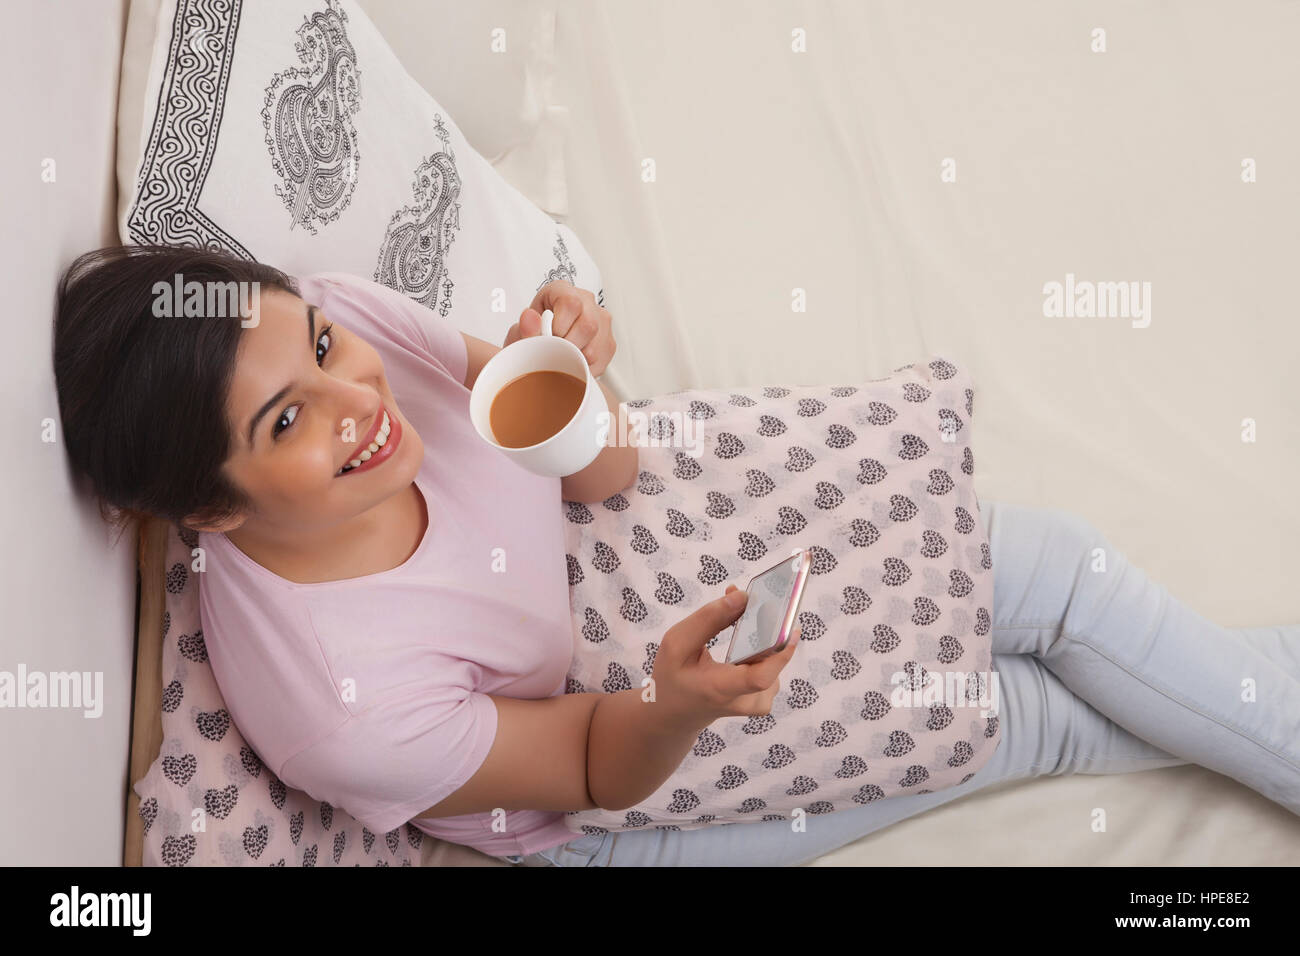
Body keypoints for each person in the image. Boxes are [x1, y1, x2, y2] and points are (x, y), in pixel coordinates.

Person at [53, 243, 1300, 867]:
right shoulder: (343, 702)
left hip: (631, 545)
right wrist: (675, 701)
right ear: (210, 514)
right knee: (1023, 717)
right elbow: (594, 762)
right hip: (619, 797)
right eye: (287, 421)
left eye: (321, 345)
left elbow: (591, 467)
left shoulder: (340, 321)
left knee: (1063, 576)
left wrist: (573, 370)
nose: (354, 399)